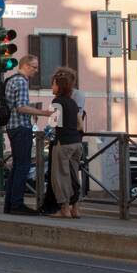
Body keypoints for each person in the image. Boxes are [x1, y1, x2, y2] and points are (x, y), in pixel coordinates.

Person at [4, 55, 50, 215]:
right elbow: (21, 107)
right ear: (25, 65)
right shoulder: (22, 82)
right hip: (21, 127)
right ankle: (17, 204)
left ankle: (9, 204)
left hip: (11, 126)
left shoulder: (11, 80)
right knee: (22, 166)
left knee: (17, 166)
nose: (36, 70)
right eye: (34, 67)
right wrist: (43, 112)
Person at [46, 67, 84, 219]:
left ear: (60, 86)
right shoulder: (73, 103)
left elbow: (53, 124)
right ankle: (76, 208)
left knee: (61, 176)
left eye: (54, 84)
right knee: (75, 175)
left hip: (63, 143)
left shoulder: (56, 102)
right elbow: (80, 125)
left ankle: (64, 209)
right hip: (77, 143)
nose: (52, 87)